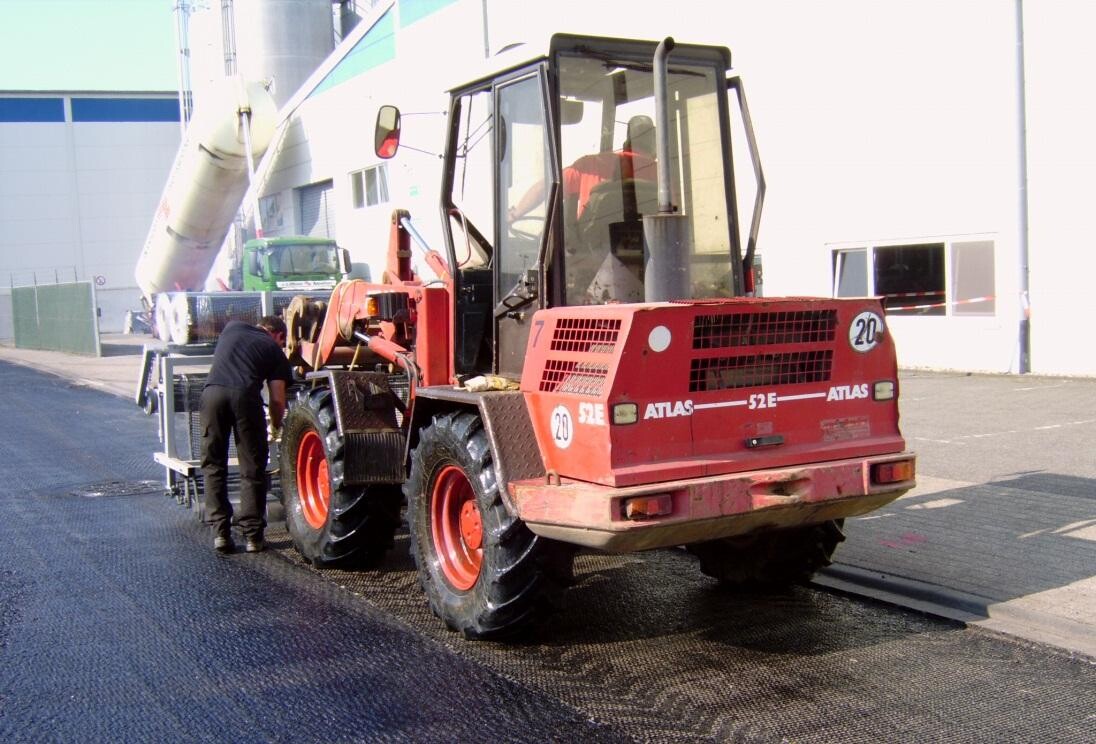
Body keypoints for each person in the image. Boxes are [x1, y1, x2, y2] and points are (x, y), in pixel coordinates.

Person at [200, 316, 292, 554]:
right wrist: (276, 426)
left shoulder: (232, 327)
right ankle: (253, 537)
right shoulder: (274, 349)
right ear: (279, 335)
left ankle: (220, 534)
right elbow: (277, 400)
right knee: (252, 468)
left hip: (211, 396)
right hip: (245, 398)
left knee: (213, 465)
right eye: (283, 342)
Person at [508, 114, 657, 224]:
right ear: (652, 141)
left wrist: (515, 214)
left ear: (627, 138)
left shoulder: (591, 164)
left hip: (591, 252)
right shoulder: (661, 174)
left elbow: (545, 187)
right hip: (646, 251)